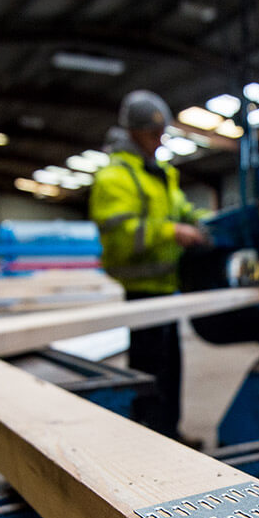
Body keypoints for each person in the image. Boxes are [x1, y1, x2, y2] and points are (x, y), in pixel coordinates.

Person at [89, 90, 209, 448]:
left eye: (162, 134)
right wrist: (170, 232)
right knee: (149, 373)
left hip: (167, 289)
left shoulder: (161, 175)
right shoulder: (114, 177)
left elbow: (185, 213)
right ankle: (150, 443)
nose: (159, 141)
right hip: (141, 292)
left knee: (172, 371)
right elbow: (123, 236)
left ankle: (170, 434)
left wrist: (209, 225)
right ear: (134, 132)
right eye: (153, 134)